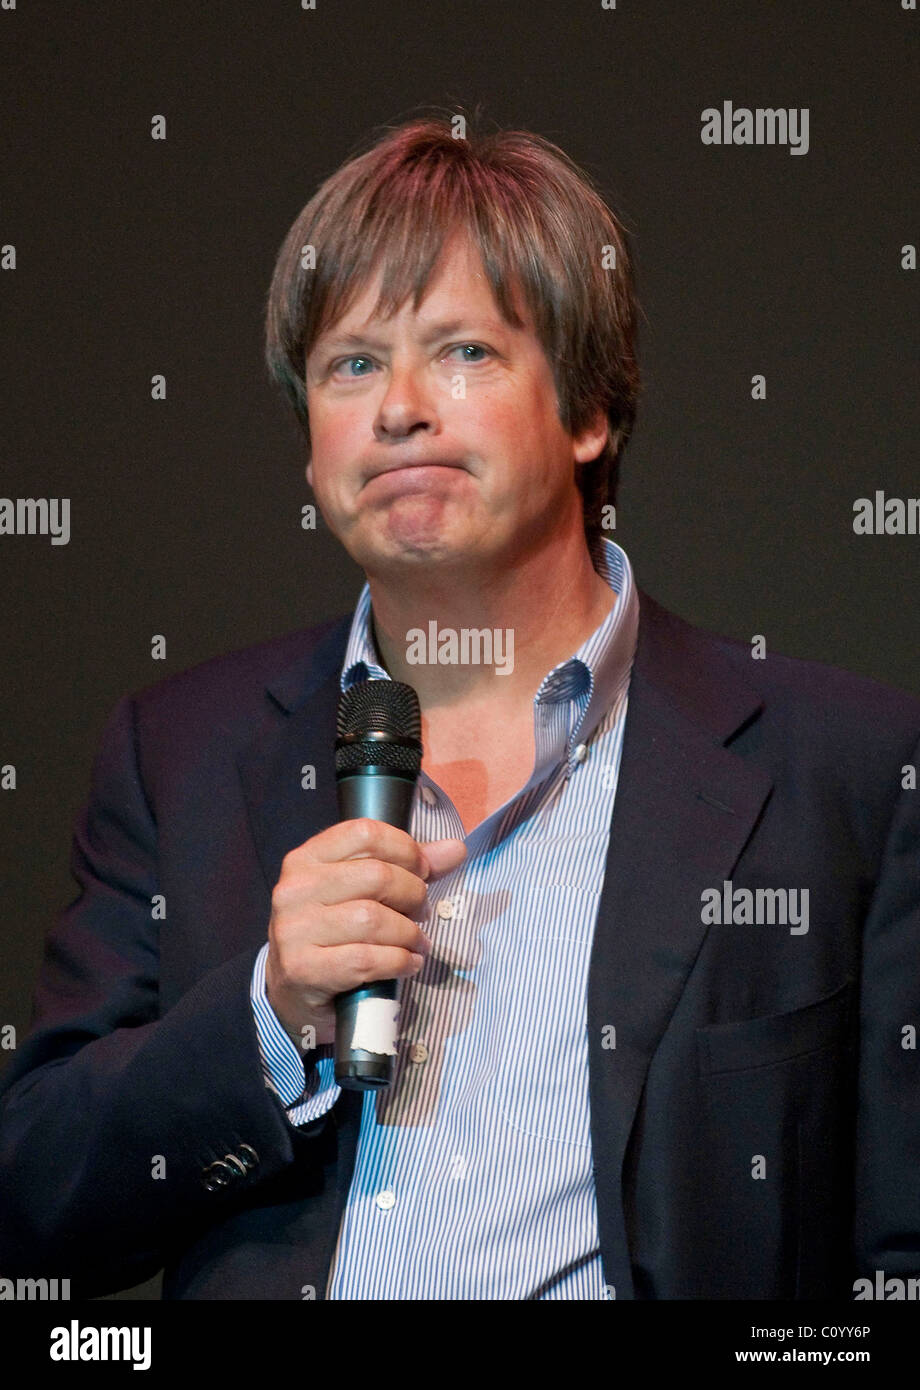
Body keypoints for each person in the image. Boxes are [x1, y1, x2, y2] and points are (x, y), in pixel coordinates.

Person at [1, 114, 918, 1301]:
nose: (398, 409)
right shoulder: (179, 754)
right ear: (311, 446)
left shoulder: (843, 769)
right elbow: (33, 1202)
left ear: (588, 412)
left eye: (463, 353)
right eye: (351, 364)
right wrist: (269, 1014)